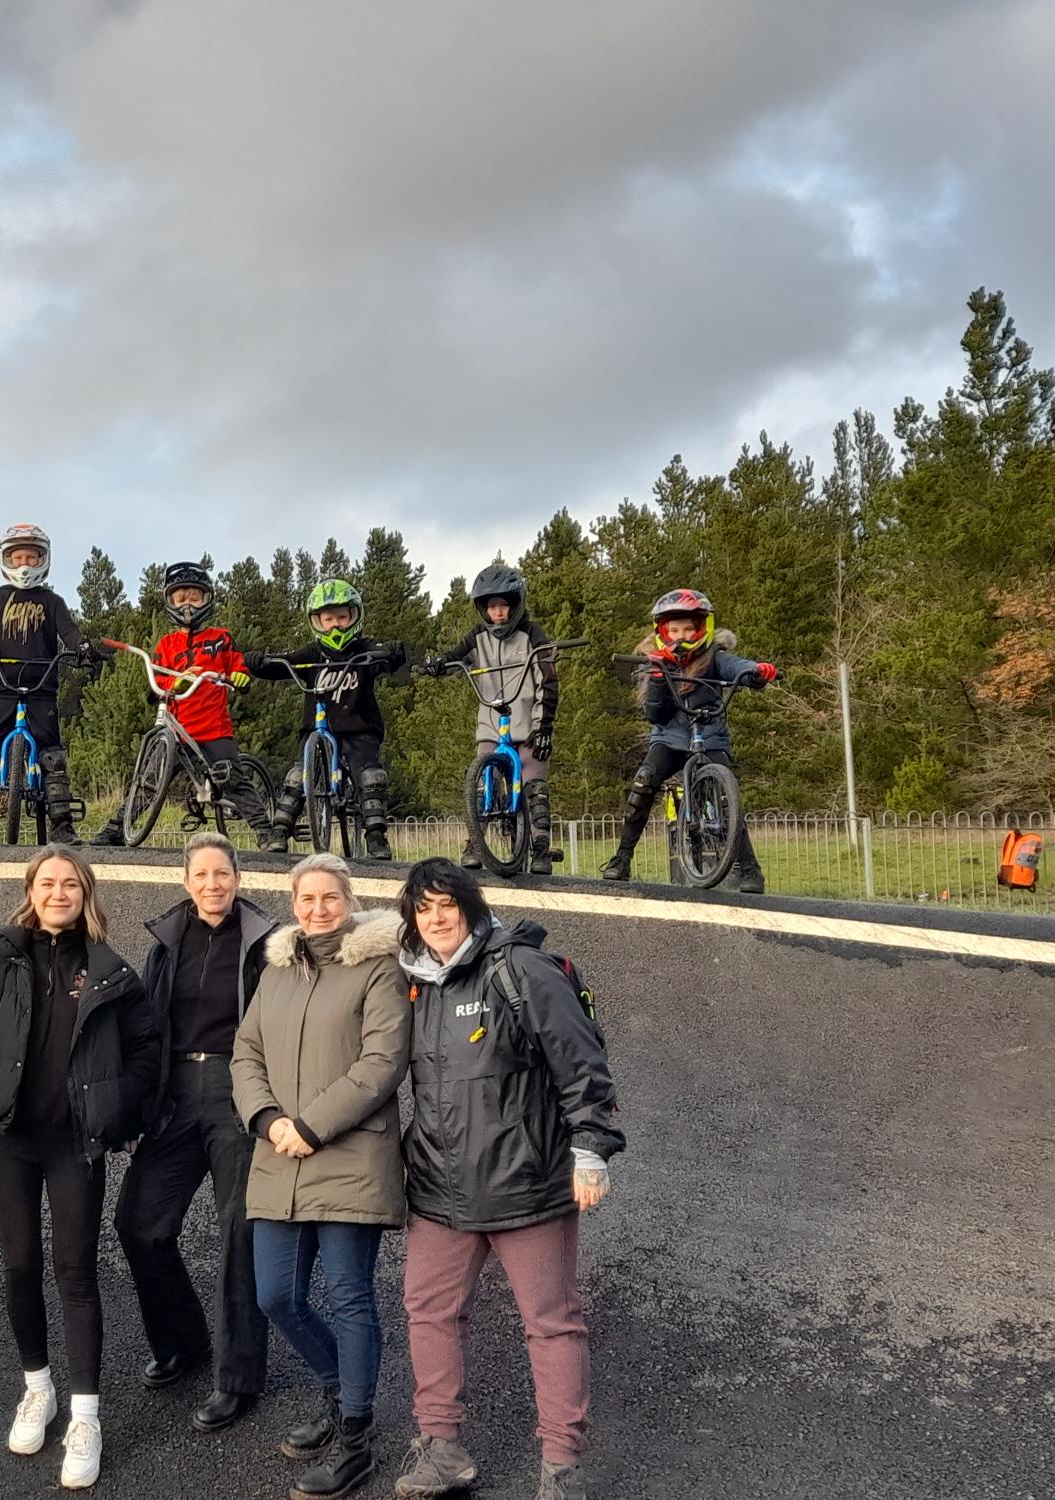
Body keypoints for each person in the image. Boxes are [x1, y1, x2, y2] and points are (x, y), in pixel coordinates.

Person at [389, 859, 622, 1500]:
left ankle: (561, 1467)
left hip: (528, 1186)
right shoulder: (415, 982)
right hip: (439, 1190)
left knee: (551, 1323)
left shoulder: (519, 969)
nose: (436, 920)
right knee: (429, 1314)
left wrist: (592, 1146)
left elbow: (581, 1062)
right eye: (424, 909)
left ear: (471, 906)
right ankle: (442, 1450)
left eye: (447, 906)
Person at [0, 847, 158, 1489]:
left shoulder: (110, 970)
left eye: (70, 883)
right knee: (18, 1264)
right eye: (48, 882)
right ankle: (37, 1388)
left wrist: (117, 1111)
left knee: (76, 1272)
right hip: (11, 1141)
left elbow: (148, 1050)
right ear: (31, 891)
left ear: (86, 893)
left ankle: (86, 1416)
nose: (58, 891)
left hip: (76, 1147)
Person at [232, 852, 410, 1500]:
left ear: (348, 899)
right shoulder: (277, 970)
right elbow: (245, 1051)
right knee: (276, 1296)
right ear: (293, 903)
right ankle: (342, 1391)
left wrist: (311, 1125)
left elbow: (384, 1061)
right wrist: (269, 1117)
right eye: (305, 899)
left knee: (350, 1295)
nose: (315, 909)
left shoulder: (377, 966)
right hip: (279, 1154)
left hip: (351, 1157)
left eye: (328, 898)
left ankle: (357, 1439)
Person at [114, 831, 277, 1431]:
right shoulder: (166, 942)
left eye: (223, 874)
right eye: (202, 875)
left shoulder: (266, 944)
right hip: (176, 1096)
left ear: (239, 879)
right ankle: (185, 1341)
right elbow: (148, 1028)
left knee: (241, 1235)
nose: (213, 885)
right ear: (186, 883)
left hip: (241, 1095)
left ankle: (238, 1378)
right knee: (139, 1225)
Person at [91, 561, 283, 853]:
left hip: (213, 729)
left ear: (207, 599)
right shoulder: (167, 644)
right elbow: (155, 684)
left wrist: (240, 676)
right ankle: (117, 829)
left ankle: (265, 832)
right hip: (176, 731)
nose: (187, 605)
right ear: (169, 602)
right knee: (149, 780)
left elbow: (237, 666)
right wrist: (169, 687)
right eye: (180, 598)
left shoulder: (220, 639)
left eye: (194, 597)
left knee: (233, 777)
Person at [597, 589, 779, 892]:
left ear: (701, 628)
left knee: (726, 799)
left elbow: (739, 667)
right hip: (669, 738)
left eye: (688, 629)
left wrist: (757, 672)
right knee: (644, 782)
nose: (681, 636)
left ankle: (750, 870)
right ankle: (621, 858)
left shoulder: (714, 657)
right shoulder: (655, 663)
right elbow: (656, 714)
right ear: (662, 632)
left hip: (710, 737)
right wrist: (657, 679)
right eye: (674, 630)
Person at [0, 523, 98, 845]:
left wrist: (82, 646)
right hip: (1, 685)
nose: (25, 564)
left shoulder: (52, 601)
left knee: (52, 755)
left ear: (44, 560)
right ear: (6, 560)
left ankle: (62, 824)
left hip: (42, 685)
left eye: (32, 557)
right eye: (18, 558)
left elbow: (68, 632)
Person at [244, 579, 409, 861]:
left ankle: (376, 835)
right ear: (316, 621)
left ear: (354, 617)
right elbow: (283, 663)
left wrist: (392, 652)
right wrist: (257, 661)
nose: (336, 625)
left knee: (368, 774)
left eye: (342, 617)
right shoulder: (311, 653)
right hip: (316, 731)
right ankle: (280, 830)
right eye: (328, 618)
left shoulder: (364, 649)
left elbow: (389, 659)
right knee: (298, 777)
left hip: (359, 729)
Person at [421, 564, 562, 875]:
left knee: (534, 783)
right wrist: (439, 664)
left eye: (503, 606)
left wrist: (544, 727)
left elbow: (549, 683)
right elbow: (455, 655)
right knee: (482, 781)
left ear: (515, 605)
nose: (498, 613)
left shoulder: (533, 635)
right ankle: (475, 841)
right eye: (491, 607)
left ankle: (540, 846)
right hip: (491, 723)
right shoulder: (478, 637)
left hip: (528, 725)